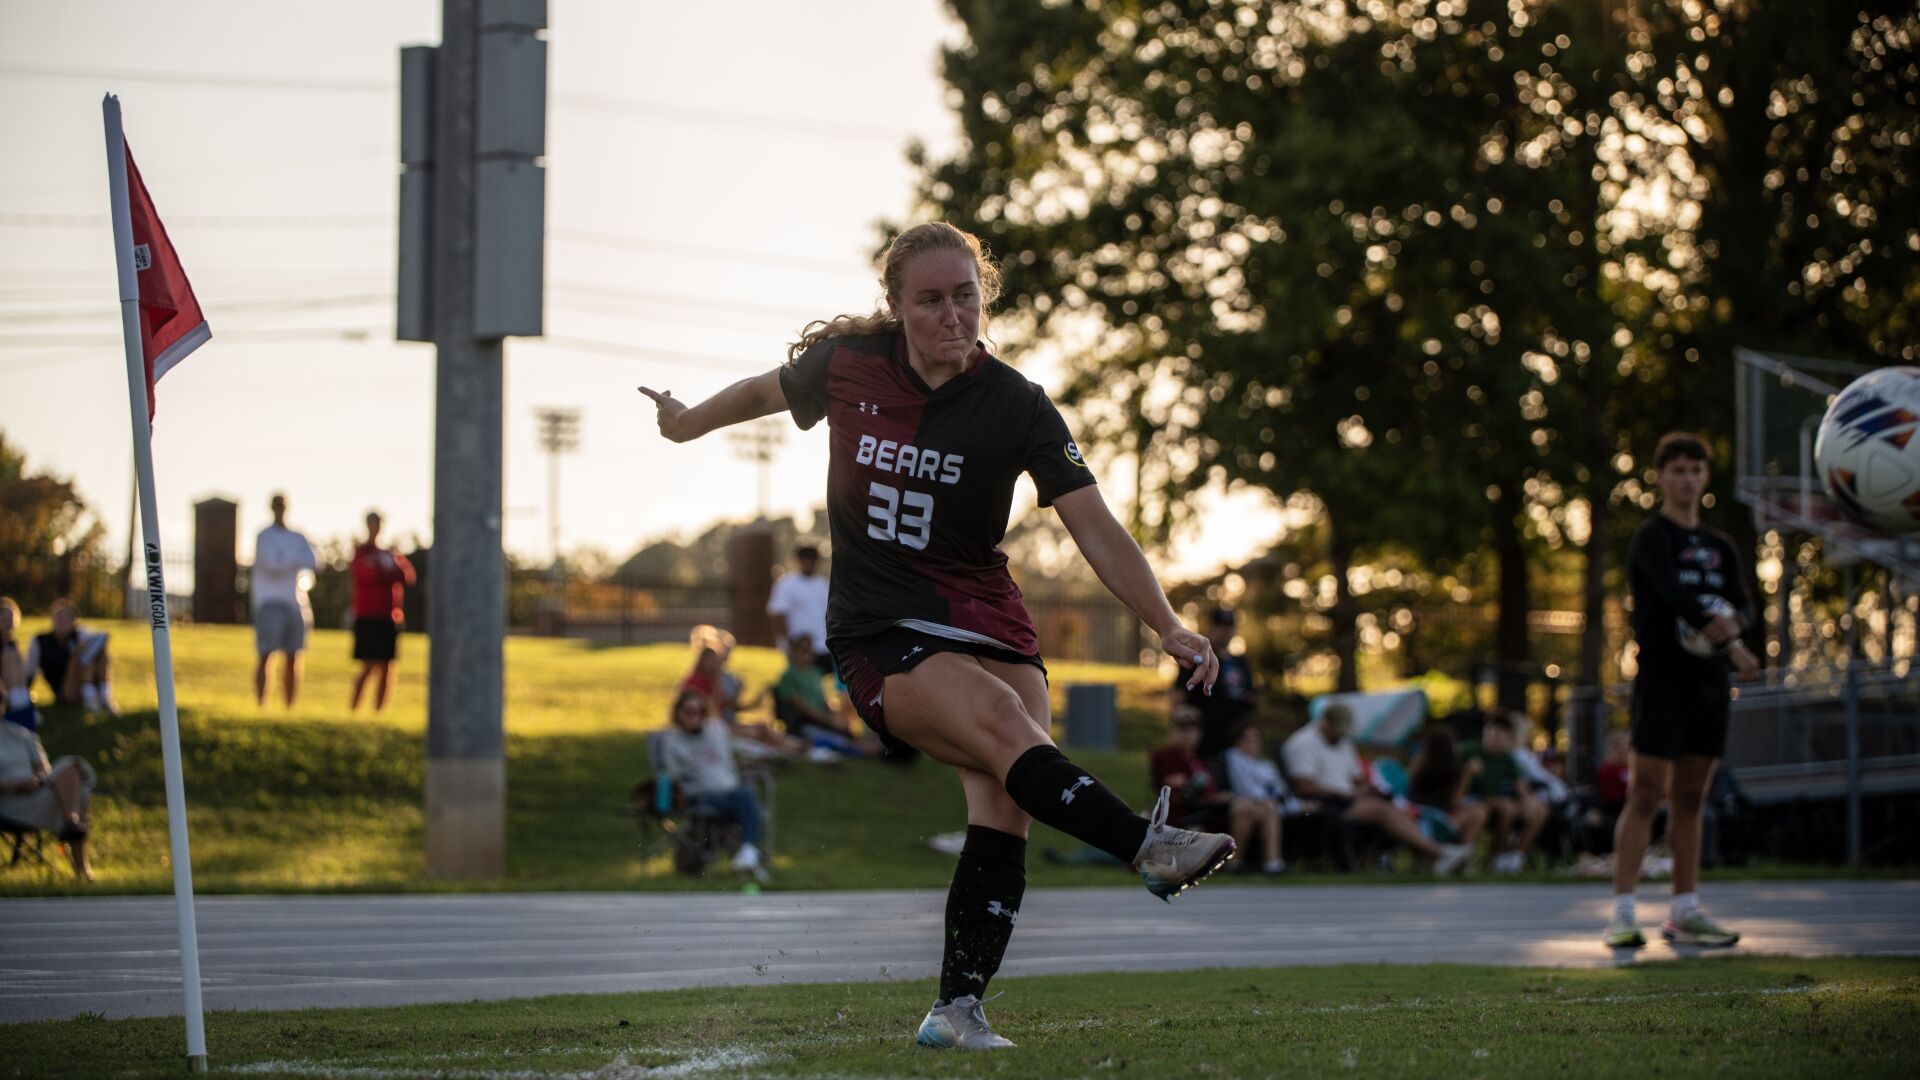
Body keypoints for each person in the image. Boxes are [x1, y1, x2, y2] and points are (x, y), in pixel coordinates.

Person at [638, 221, 1236, 1051]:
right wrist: (685, 423)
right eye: (932, 300)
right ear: (896, 306)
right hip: (879, 626)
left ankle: (957, 1010)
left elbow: (1092, 523)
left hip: (987, 615)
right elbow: (757, 394)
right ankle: (1147, 847)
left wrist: (1165, 623)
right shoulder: (847, 366)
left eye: (967, 297)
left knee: (1005, 801)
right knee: (1000, 729)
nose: (954, 316)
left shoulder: (1017, 402)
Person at [1608, 432, 1759, 950]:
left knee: (1692, 798)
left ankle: (1684, 909)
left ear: (1705, 478)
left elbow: (1745, 605)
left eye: (1696, 469)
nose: (1687, 478)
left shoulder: (1721, 548)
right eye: (1677, 469)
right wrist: (1728, 638)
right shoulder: (1653, 537)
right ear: (1660, 477)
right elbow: (1671, 593)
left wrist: (1735, 626)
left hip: (1709, 687)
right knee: (1646, 793)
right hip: (1662, 682)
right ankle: (1623, 912)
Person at [1282, 704, 1471, 874]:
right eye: (1338, 730)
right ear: (1325, 722)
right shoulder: (1302, 743)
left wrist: (1366, 788)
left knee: (1395, 805)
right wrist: (1348, 794)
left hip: (1349, 799)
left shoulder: (1343, 743)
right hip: (1324, 802)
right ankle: (1437, 854)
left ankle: (1431, 856)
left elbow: (1357, 777)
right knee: (1382, 811)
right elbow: (1304, 785)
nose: (1341, 734)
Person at [1, 599, 95, 880]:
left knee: (69, 766)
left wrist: (39, 777)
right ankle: (73, 830)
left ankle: (72, 831)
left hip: (37, 793)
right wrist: (17, 784)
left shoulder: (22, 733)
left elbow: (44, 767)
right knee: (75, 795)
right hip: (9, 802)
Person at [658, 688, 767, 877]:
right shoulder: (672, 741)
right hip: (700, 797)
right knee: (747, 801)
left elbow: (735, 749)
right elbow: (672, 777)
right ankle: (749, 851)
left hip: (729, 793)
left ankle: (748, 850)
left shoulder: (716, 730)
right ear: (678, 714)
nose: (694, 717)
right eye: (688, 712)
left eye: (698, 712)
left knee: (746, 793)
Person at [251, 492, 318, 707]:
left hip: (295, 602)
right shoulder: (264, 536)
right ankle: (262, 704)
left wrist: (286, 559)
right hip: (269, 601)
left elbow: (315, 561)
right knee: (266, 654)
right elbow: (271, 565)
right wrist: (295, 560)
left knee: (293, 656)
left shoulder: (298, 537)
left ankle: (289, 706)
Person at [1459, 712, 1546, 873]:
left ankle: (1516, 857)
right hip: (1472, 800)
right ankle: (1498, 855)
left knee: (1539, 810)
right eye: (1492, 731)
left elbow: (1520, 786)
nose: (1495, 737)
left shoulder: (1506, 758)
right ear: (1485, 731)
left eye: (1500, 734)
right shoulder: (1466, 751)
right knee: (1507, 808)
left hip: (1495, 800)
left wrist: (1529, 800)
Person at [349, 511, 415, 713]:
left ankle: (379, 712)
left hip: (389, 615)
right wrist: (388, 573)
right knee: (369, 664)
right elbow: (369, 575)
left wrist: (385, 571)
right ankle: (354, 710)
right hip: (368, 614)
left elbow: (407, 576)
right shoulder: (362, 552)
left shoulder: (390, 553)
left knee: (387, 666)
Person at [1169, 607, 1258, 758]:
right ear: (1212, 627)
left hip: (1234, 741)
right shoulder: (1197, 659)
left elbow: (1249, 695)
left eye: (1230, 627)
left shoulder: (1240, 662)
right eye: (1222, 627)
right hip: (1204, 742)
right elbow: (1178, 696)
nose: (1226, 632)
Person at [774, 633, 879, 758]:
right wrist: (826, 720)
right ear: (794, 651)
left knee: (846, 732)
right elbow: (799, 706)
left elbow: (823, 700)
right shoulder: (788, 676)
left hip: (821, 720)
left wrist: (833, 716)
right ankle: (868, 752)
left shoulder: (815, 673)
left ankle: (873, 747)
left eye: (809, 652)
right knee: (838, 741)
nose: (807, 656)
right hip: (802, 723)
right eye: (802, 651)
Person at [1402, 728, 1490, 851]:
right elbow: (1454, 803)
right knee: (1478, 813)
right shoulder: (1449, 769)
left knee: (1477, 807)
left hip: (1414, 818)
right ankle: (1458, 858)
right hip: (1433, 823)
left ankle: (1455, 856)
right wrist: (1467, 775)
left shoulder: (1418, 764)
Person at [1219, 722, 1289, 874]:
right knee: (1254, 808)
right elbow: (1245, 788)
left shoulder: (1265, 764)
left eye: (1256, 739)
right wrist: (1268, 798)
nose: (1254, 743)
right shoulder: (1233, 757)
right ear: (1239, 741)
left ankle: (1272, 863)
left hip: (1266, 805)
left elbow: (1281, 789)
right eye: (1248, 739)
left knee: (1270, 807)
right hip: (1242, 802)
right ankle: (1239, 861)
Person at [27, 599, 118, 715]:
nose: (62, 621)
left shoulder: (80, 635)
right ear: (52, 618)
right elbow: (30, 671)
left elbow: (98, 642)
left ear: (74, 621)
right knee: (78, 656)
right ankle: (92, 699)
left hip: (86, 683)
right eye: (59, 617)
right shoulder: (40, 641)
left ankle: (104, 696)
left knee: (98, 650)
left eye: (67, 618)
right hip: (65, 692)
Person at [767, 543, 832, 672]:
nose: (809, 562)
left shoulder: (823, 584)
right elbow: (778, 616)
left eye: (813, 559)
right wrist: (788, 644)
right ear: (799, 560)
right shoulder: (786, 584)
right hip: (798, 648)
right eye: (806, 559)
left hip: (823, 647)